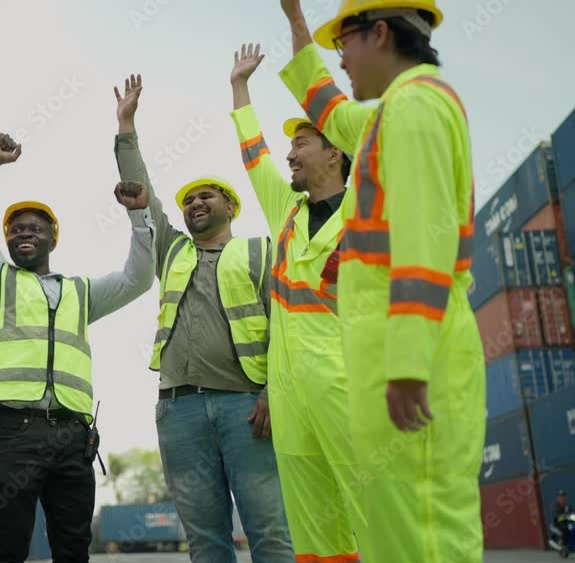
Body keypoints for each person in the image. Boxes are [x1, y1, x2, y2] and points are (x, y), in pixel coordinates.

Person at [277, 0, 485, 561]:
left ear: (381, 34)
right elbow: (325, 101)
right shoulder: (384, 118)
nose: (339, 59)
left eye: (343, 43)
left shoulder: (413, 111)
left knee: (423, 537)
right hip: (390, 364)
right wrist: (296, 21)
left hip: (414, 365)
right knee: (399, 536)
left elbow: (424, 243)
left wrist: (409, 364)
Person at [0, 133, 156, 563]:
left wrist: (139, 215)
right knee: (9, 546)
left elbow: (140, 278)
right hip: (15, 432)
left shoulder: (82, 292)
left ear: (52, 240)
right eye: (17, 229)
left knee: (73, 548)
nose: (25, 233)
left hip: (75, 437)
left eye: (35, 229)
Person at [113, 74, 294, 563]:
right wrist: (126, 128)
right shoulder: (170, 251)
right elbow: (143, 194)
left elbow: (286, 327)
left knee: (271, 531)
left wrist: (273, 394)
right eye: (189, 200)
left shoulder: (261, 251)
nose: (195, 203)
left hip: (246, 407)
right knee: (205, 541)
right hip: (180, 411)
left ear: (231, 207)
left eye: (206, 196)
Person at [229, 42, 366, 562]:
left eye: (303, 142)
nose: (291, 153)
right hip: (290, 400)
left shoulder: (367, 210)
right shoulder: (286, 209)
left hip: (348, 389)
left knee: (372, 512)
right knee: (313, 531)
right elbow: (254, 153)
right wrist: (240, 88)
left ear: (335, 152)